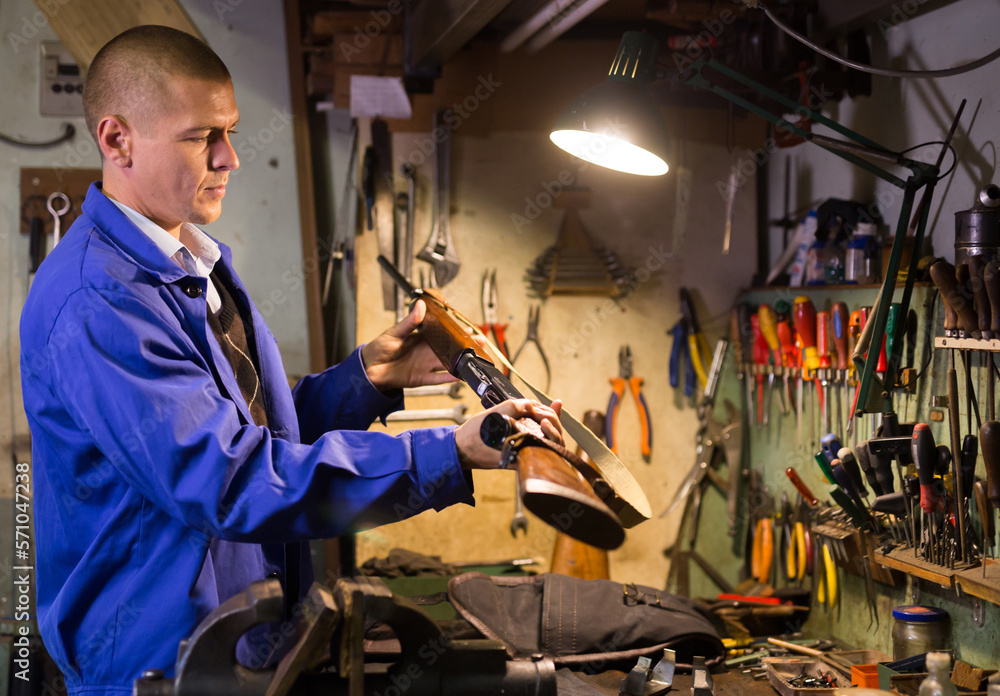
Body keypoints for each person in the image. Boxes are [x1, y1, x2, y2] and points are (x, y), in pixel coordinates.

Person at [19, 24, 562, 695]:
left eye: (232, 132)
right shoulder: (98, 302)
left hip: (240, 651)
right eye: (201, 136)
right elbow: (229, 479)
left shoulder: (193, 262)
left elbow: (250, 433)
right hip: (154, 671)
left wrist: (365, 379)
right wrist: (446, 453)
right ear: (116, 139)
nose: (229, 158)